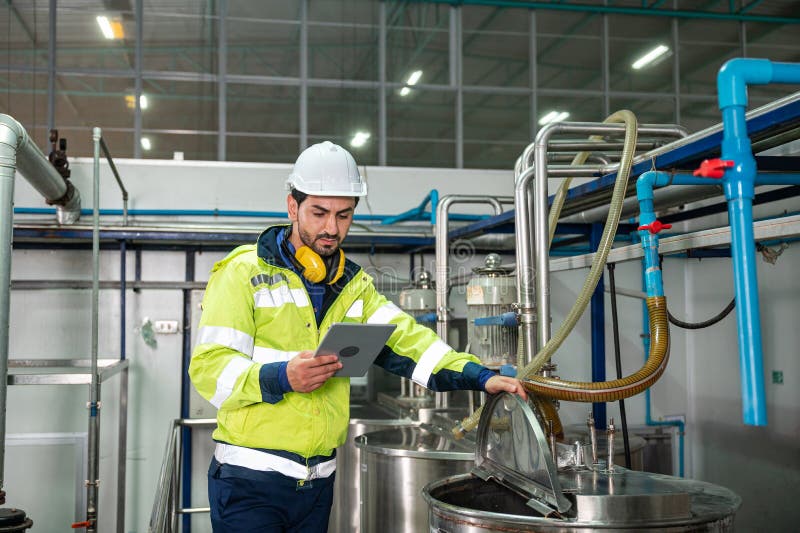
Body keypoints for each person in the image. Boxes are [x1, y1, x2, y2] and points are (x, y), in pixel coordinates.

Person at [189, 140, 527, 532]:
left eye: (344, 215)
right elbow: (209, 370)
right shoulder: (243, 273)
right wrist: (283, 376)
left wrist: (480, 376)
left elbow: (410, 343)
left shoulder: (354, 287)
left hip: (318, 482)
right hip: (251, 480)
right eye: (319, 212)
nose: (332, 228)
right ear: (292, 206)